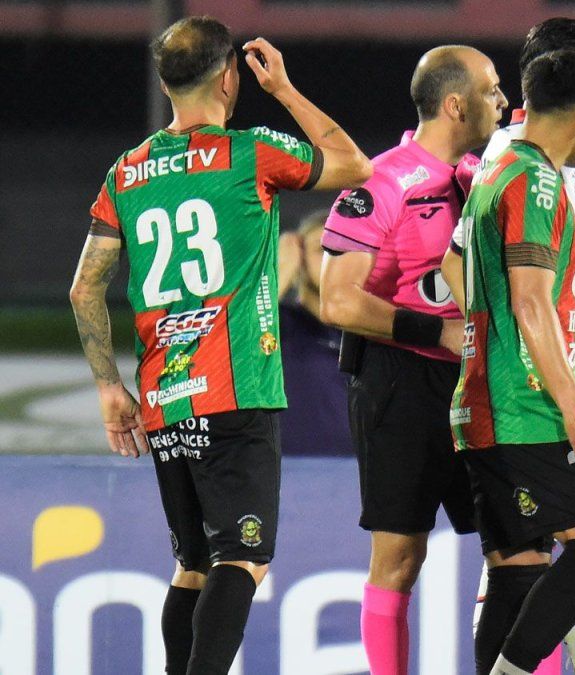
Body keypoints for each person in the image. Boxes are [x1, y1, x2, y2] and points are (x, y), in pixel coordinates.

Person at [68, 16, 371, 675]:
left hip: (164, 394)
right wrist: (284, 90)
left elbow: (85, 287)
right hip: (236, 390)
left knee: (194, 565)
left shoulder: (126, 172)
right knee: (242, 557)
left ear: (165, 83)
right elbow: (355, 166)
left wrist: (109, 386)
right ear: (230, 77)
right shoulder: (250, 152)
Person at [441, 18, 575, 673]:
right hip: (530, 401)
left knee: (518, 568)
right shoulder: (536, 176)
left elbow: (463, 265)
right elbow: (531, 298)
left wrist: (491, 340)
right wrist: (566, 392)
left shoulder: (504, 164)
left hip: (493, 394)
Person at [317, 45, 507, 674]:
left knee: (520, 547)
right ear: (455, 104)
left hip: (479, 379)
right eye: (491, 89)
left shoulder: (485, 178)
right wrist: (437, 332)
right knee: (399, 557)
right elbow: (337, 299)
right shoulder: (380, 181)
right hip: (400, 382)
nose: (502, 101)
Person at [276, 212, 352, 456]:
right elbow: (234, 342)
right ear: (299, 259)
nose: (332, 261)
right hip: (293, 471)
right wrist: (281, 270)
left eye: (342, 251)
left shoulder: (371, 332)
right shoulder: (278, 323)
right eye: (321, 250)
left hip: (355, 471)